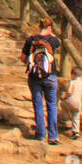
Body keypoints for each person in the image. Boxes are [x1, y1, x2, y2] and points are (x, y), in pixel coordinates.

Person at [20, 16, 61, 144]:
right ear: (49, 27)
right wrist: (50, 33)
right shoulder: (53, 40)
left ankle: (41, 134)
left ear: (39, 26)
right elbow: (59, 41)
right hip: (50, 76)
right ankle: (53, 136)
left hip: (34, 77)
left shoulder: (31, 40)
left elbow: (22, 58)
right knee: (51, 105)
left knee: (38, 105)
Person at [59, 67, 82, 138]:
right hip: (78, 102)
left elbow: (69, 92)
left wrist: (64, 97)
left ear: (74, 75)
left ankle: (65, 118)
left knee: (62, 104)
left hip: (71, 100)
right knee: (76, 116)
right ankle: (76, 132)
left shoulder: (72, 82)